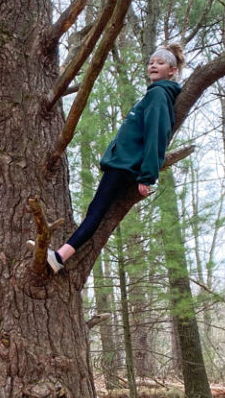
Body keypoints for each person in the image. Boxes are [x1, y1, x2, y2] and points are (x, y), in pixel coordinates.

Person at [46, 43, 185, 273]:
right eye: (151, 62)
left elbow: (156, 136)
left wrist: (147, 176)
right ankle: (61, 255)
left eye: (160, 63)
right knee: (97, 211)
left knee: (96, 211)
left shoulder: (159, 95)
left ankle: (60, 257)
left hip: (124, 165)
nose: (153, 66)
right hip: (124, 163)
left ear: (172, 70)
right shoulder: (154, 94)